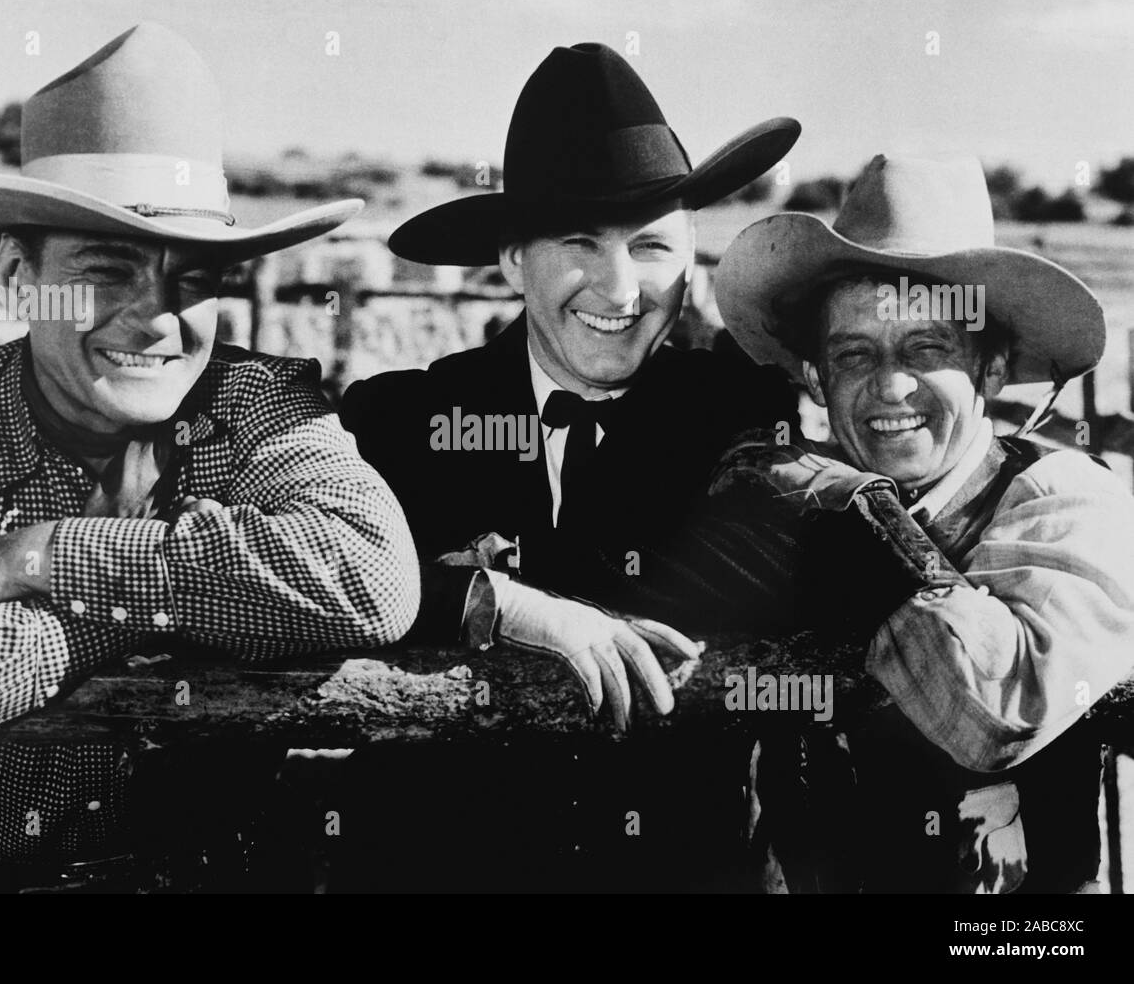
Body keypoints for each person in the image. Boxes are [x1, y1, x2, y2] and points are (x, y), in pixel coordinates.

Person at [0, 23, 420, 893]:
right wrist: (164, 605)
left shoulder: (258, 403)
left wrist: (45, 556)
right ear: (17, 275)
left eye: (193, 278)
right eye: (108, 270)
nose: (157, 318)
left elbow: (370, 580)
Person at [334, 43, 804, 890]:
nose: (621, 289)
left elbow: (741, 574)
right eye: (581, 240)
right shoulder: (400, 420)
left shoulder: (737, 413)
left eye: (653, 247)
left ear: (692, 256)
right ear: (515, 259)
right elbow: (321, 571)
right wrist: (505, 604)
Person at [711, 153, 1134, 893]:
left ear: (991, 367)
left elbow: (1004, 708)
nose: (891, 385)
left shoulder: (1064, 501)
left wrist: (862, 527)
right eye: (853, 353)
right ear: (816, 377)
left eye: (927, 348)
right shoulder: (787, 511)